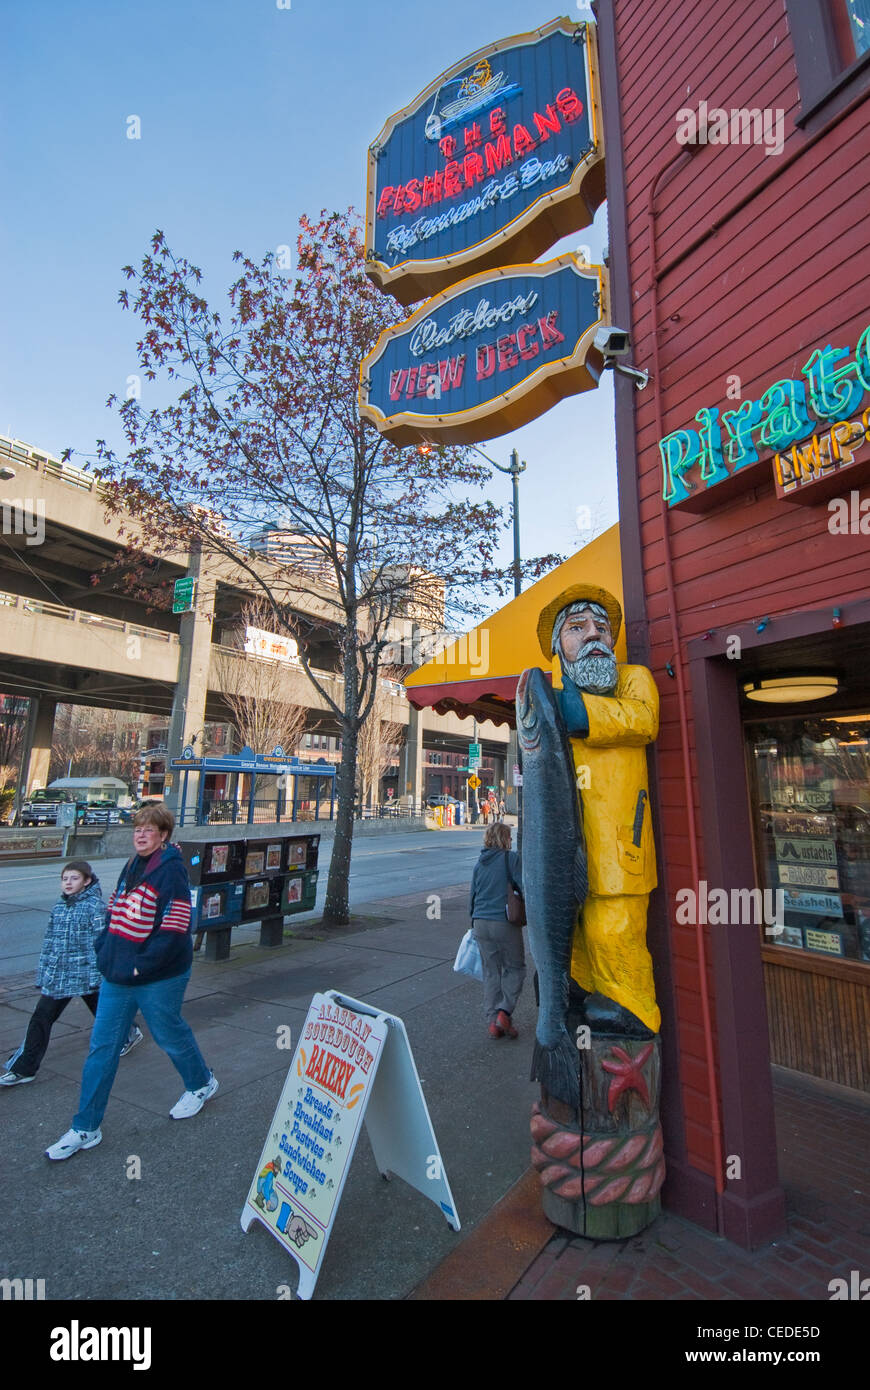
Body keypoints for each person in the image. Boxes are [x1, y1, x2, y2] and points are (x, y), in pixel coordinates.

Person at [45, 805, 217, 1160]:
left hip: (159, 975)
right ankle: (85, 1127)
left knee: (169, 1033)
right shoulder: (131, 865)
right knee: (102, 1047)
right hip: (118, 973)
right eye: (138, 829)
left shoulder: (171, 871)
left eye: (149, 830)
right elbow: (115, 910)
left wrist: (141, 966)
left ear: (164, 835)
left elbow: (177, 925)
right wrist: (105, 951)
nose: (141, 835)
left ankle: (201, 1084)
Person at [537, 584, 659, 1037]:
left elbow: (642, 720)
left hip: (620, 849)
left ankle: (636, 1019)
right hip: (567, 857)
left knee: (615, 935)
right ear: (557, 646)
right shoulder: (550, 702)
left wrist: (577, 710)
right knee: (575, 948)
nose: (594, 635)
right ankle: (578, 1011)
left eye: (601, 628)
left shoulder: (632, 680)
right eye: (577, 627)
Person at [1, 861, 142, 1086]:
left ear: (87, 881)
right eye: (65, 878)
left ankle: (129, 1032)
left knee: (103, 1013)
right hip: (61, 977)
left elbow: (103, 942)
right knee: (42, 1017)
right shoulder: (60, 905)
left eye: (74, 878)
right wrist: (46, 970)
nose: (68, 883)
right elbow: (50, 941)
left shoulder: (94, 907)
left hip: (87, 975)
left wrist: (104, 971)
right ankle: (24, 1067)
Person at [469, 822, 525, 1039]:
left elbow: (472, 897)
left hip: (480, 923)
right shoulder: (510, 859)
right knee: (516, 968)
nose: (511, 841)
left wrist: (472, 923)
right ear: (504, 839)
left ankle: (493, 1021)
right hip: (504, 922)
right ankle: (505, 1012)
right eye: (509, 837)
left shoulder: (479, 864)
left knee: (491, 972)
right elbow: (523, 886)